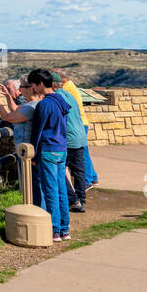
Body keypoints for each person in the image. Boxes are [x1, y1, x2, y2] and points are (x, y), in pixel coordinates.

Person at [28, 68, 71, 241]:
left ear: (40, 84)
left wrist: (34, 154)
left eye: (33, 86)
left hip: (48, 149)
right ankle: (64, 228)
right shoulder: (60, 100)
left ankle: (54, 229)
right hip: (61, 149)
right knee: (61, 189)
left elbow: (37, 131)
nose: (32, 89)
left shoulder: (44, 104)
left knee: (50, 190)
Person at [0, 78, 41, 206]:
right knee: (30, 185)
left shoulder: (31, 107)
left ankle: (33, 212)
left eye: (21, 87)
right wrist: (7, 95)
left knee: (30, 186)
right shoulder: (29, 104)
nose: (19, 90)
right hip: (25, 150)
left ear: (30, 89)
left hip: (27, 152)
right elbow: (15, 109)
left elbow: (8, 117)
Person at [56, 69, 99, 188]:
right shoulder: (70, 86)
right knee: (84, 153)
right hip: (81, 124)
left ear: (61, 78)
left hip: (77, 124)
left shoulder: (65, 88)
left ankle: (87, 180)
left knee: (82, 155)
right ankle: (92, 177)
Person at [53, 76, 89, 212]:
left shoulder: (55, 98)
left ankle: (73, 200)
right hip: (80, 136)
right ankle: (81, 198)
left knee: (58, 169)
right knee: (79, 169)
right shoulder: (70, 95)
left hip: (68, 138)